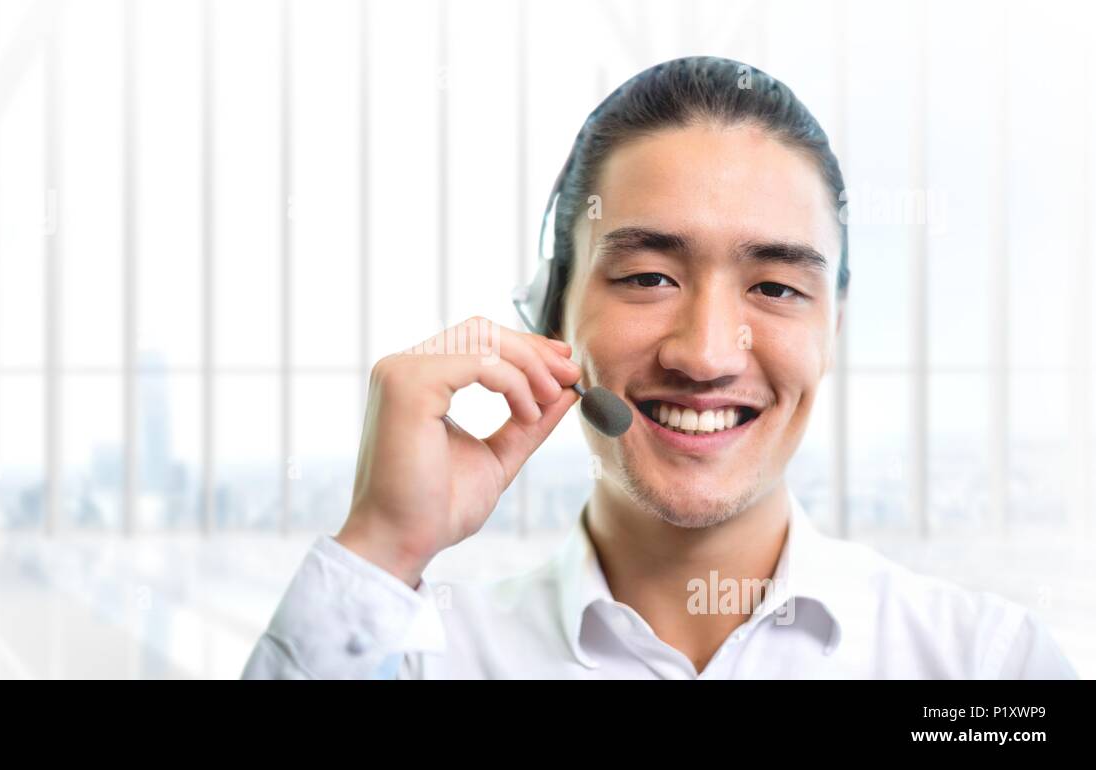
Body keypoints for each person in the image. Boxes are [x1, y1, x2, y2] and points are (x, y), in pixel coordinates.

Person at [241, 56, 1078, 679]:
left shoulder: (984, 670)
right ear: (549, 315)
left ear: (832, 329)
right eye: (647, 277)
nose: (707, 354)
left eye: (777, 287)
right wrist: (383, 548)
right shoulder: (421, 658)